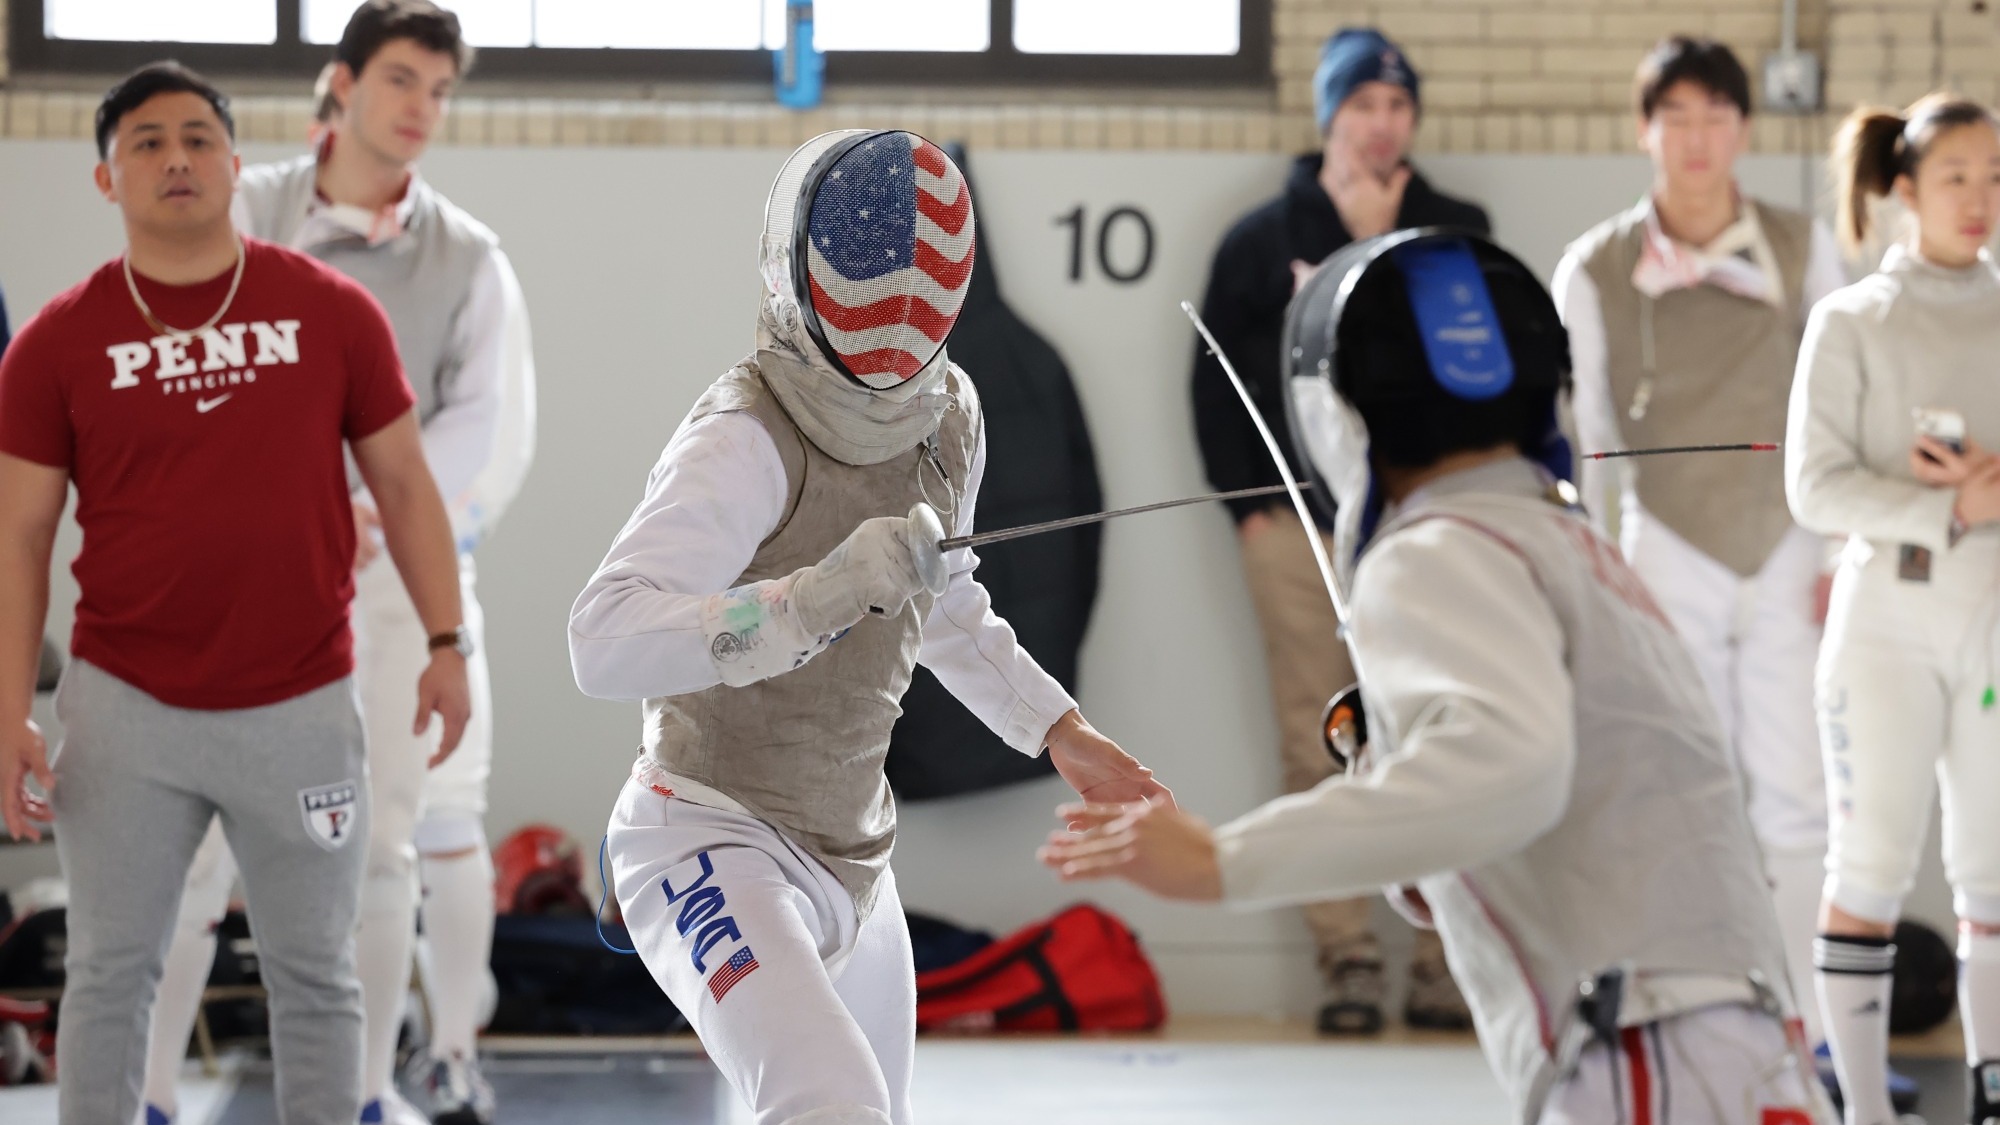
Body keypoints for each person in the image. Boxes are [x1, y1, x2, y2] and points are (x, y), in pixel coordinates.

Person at [1045, 230, 1827, 1124]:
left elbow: (1514, 767)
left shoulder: (1436, 551)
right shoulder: (1569, 548)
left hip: (1649, 1053)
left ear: (1337, 414)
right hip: (1735, 1045)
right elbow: (1561, 801)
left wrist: (1224, 860)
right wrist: (1417, 800)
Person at [569, 129, 1172, 1125]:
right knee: (825, 1101)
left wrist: (1062, 731)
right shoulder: (742, 435)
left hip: (855, 857)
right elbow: (603, 639)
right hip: (703, 835)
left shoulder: (948, 418)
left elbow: (945, 602)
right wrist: (811, 598)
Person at [0, 62, 471, 1125]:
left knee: (317, 976)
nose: (176, 158)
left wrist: (448, 643)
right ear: (105, 178)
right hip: (125, 711)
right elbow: (18, 537)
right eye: (148, 143)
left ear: (232, 160)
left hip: (299, 706)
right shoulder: (53, 346)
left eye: (199, 139)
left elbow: (403, 484)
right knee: (111, 974)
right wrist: (7, 713)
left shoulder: (330, 311)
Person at [139, 5, 535, 1124]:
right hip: (234, 576)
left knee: (384, 839)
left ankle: (367, 1094)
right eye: (401, 78)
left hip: (393, 579)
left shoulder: (469, 259)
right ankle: (152, 1098)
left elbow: (487, 427)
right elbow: (177, 359)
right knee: (193, 847)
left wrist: (371, 505)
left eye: (440, 90)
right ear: (341, 84)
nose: (420, 107)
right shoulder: (238, 209)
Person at [1550, 35, 1864, 1099]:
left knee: (1796, 802)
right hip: (1659, 556)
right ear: (1644, 130)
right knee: (1674, 792)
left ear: (1740, 126)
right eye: (1672, 117)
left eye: (1713, 116)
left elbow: (1838, 406)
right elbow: (1585, 438)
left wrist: (1835, 550)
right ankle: (1681, 1028)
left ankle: (1809, 1039)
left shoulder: (1798, 243)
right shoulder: (1592, 268)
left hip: (1787, 550)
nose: (1694, 138)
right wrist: (1602, 582)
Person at [1187, 23, 1484, 1035]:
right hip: (1297, 531)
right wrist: (1252, 510)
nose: (1380, 124)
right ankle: (1344, 954)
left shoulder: (1455, 229)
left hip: (1429, 526)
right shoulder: (1260, 240)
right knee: (1320, 730)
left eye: (1396, 106)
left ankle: (1451, 959)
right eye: (1360, 105)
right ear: (1327, 116)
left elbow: (1490, 373)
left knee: (1446, 726)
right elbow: (1212, 388)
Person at [1788, 94, 2000, 1125]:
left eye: (1993, 177)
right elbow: (1811, 486)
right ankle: (1862, 1114)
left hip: (1990, 622)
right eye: (1956, 175)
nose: (1978, 198)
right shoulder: (1851, 320)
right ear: (1904, 187)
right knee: (1869, 860)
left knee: (1990, 873)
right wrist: (1941, 503)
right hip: (1882, 622)